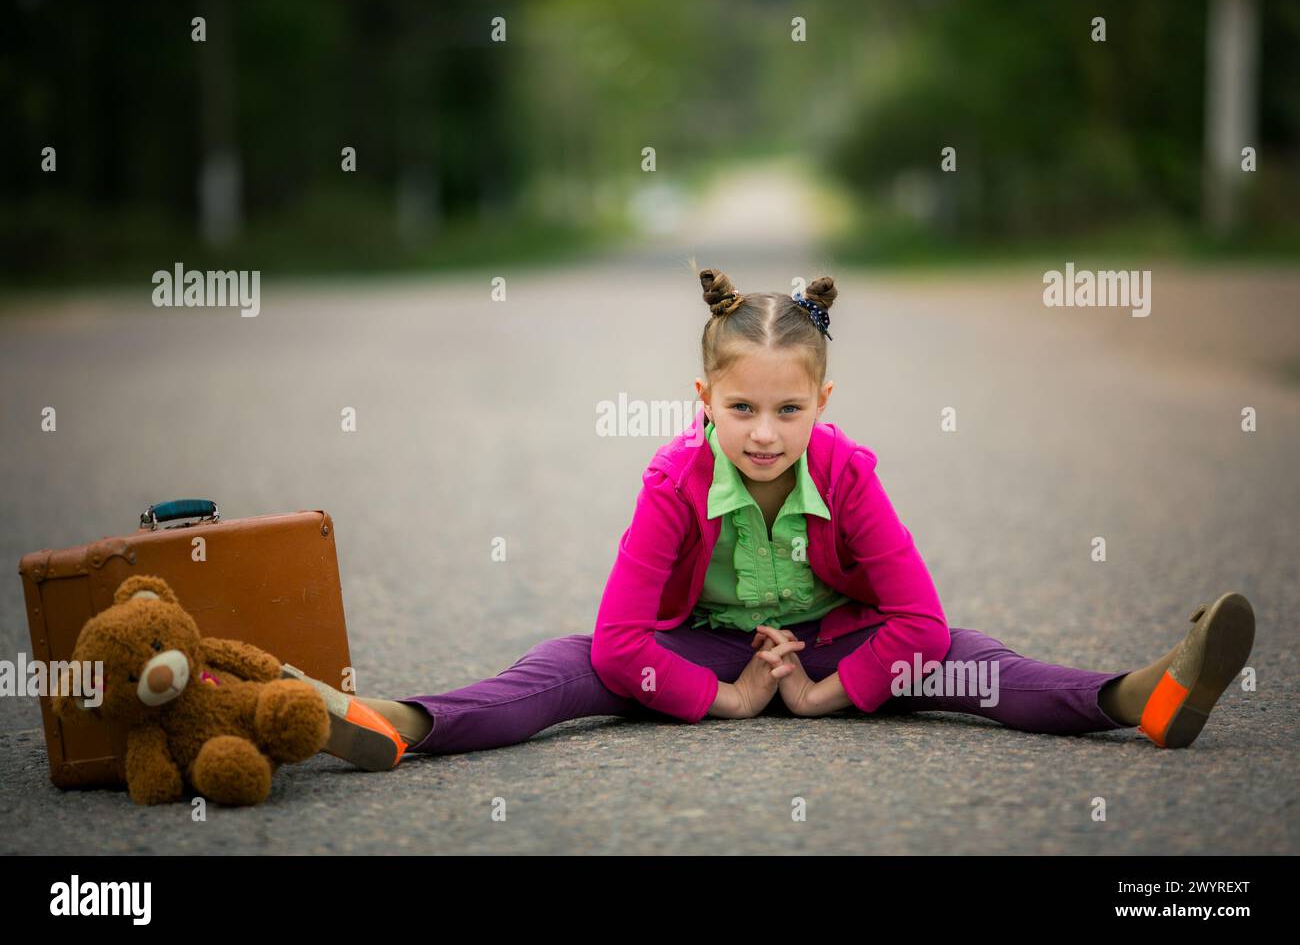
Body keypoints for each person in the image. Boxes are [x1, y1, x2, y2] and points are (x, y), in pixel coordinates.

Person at [286, 266, 1256, 770]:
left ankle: (1141, 696)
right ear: (701, 398)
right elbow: (625, 644)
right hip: (705, 649)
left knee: (971, 655)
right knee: (561, 665)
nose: (762, 433)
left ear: (822, 404)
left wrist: (821, 694)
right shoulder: (672, 481)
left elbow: (916, 623)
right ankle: (392, 720)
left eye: (787, 410)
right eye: (739, 408)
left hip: (833, 647)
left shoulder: (846, 472)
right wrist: (732, 697)